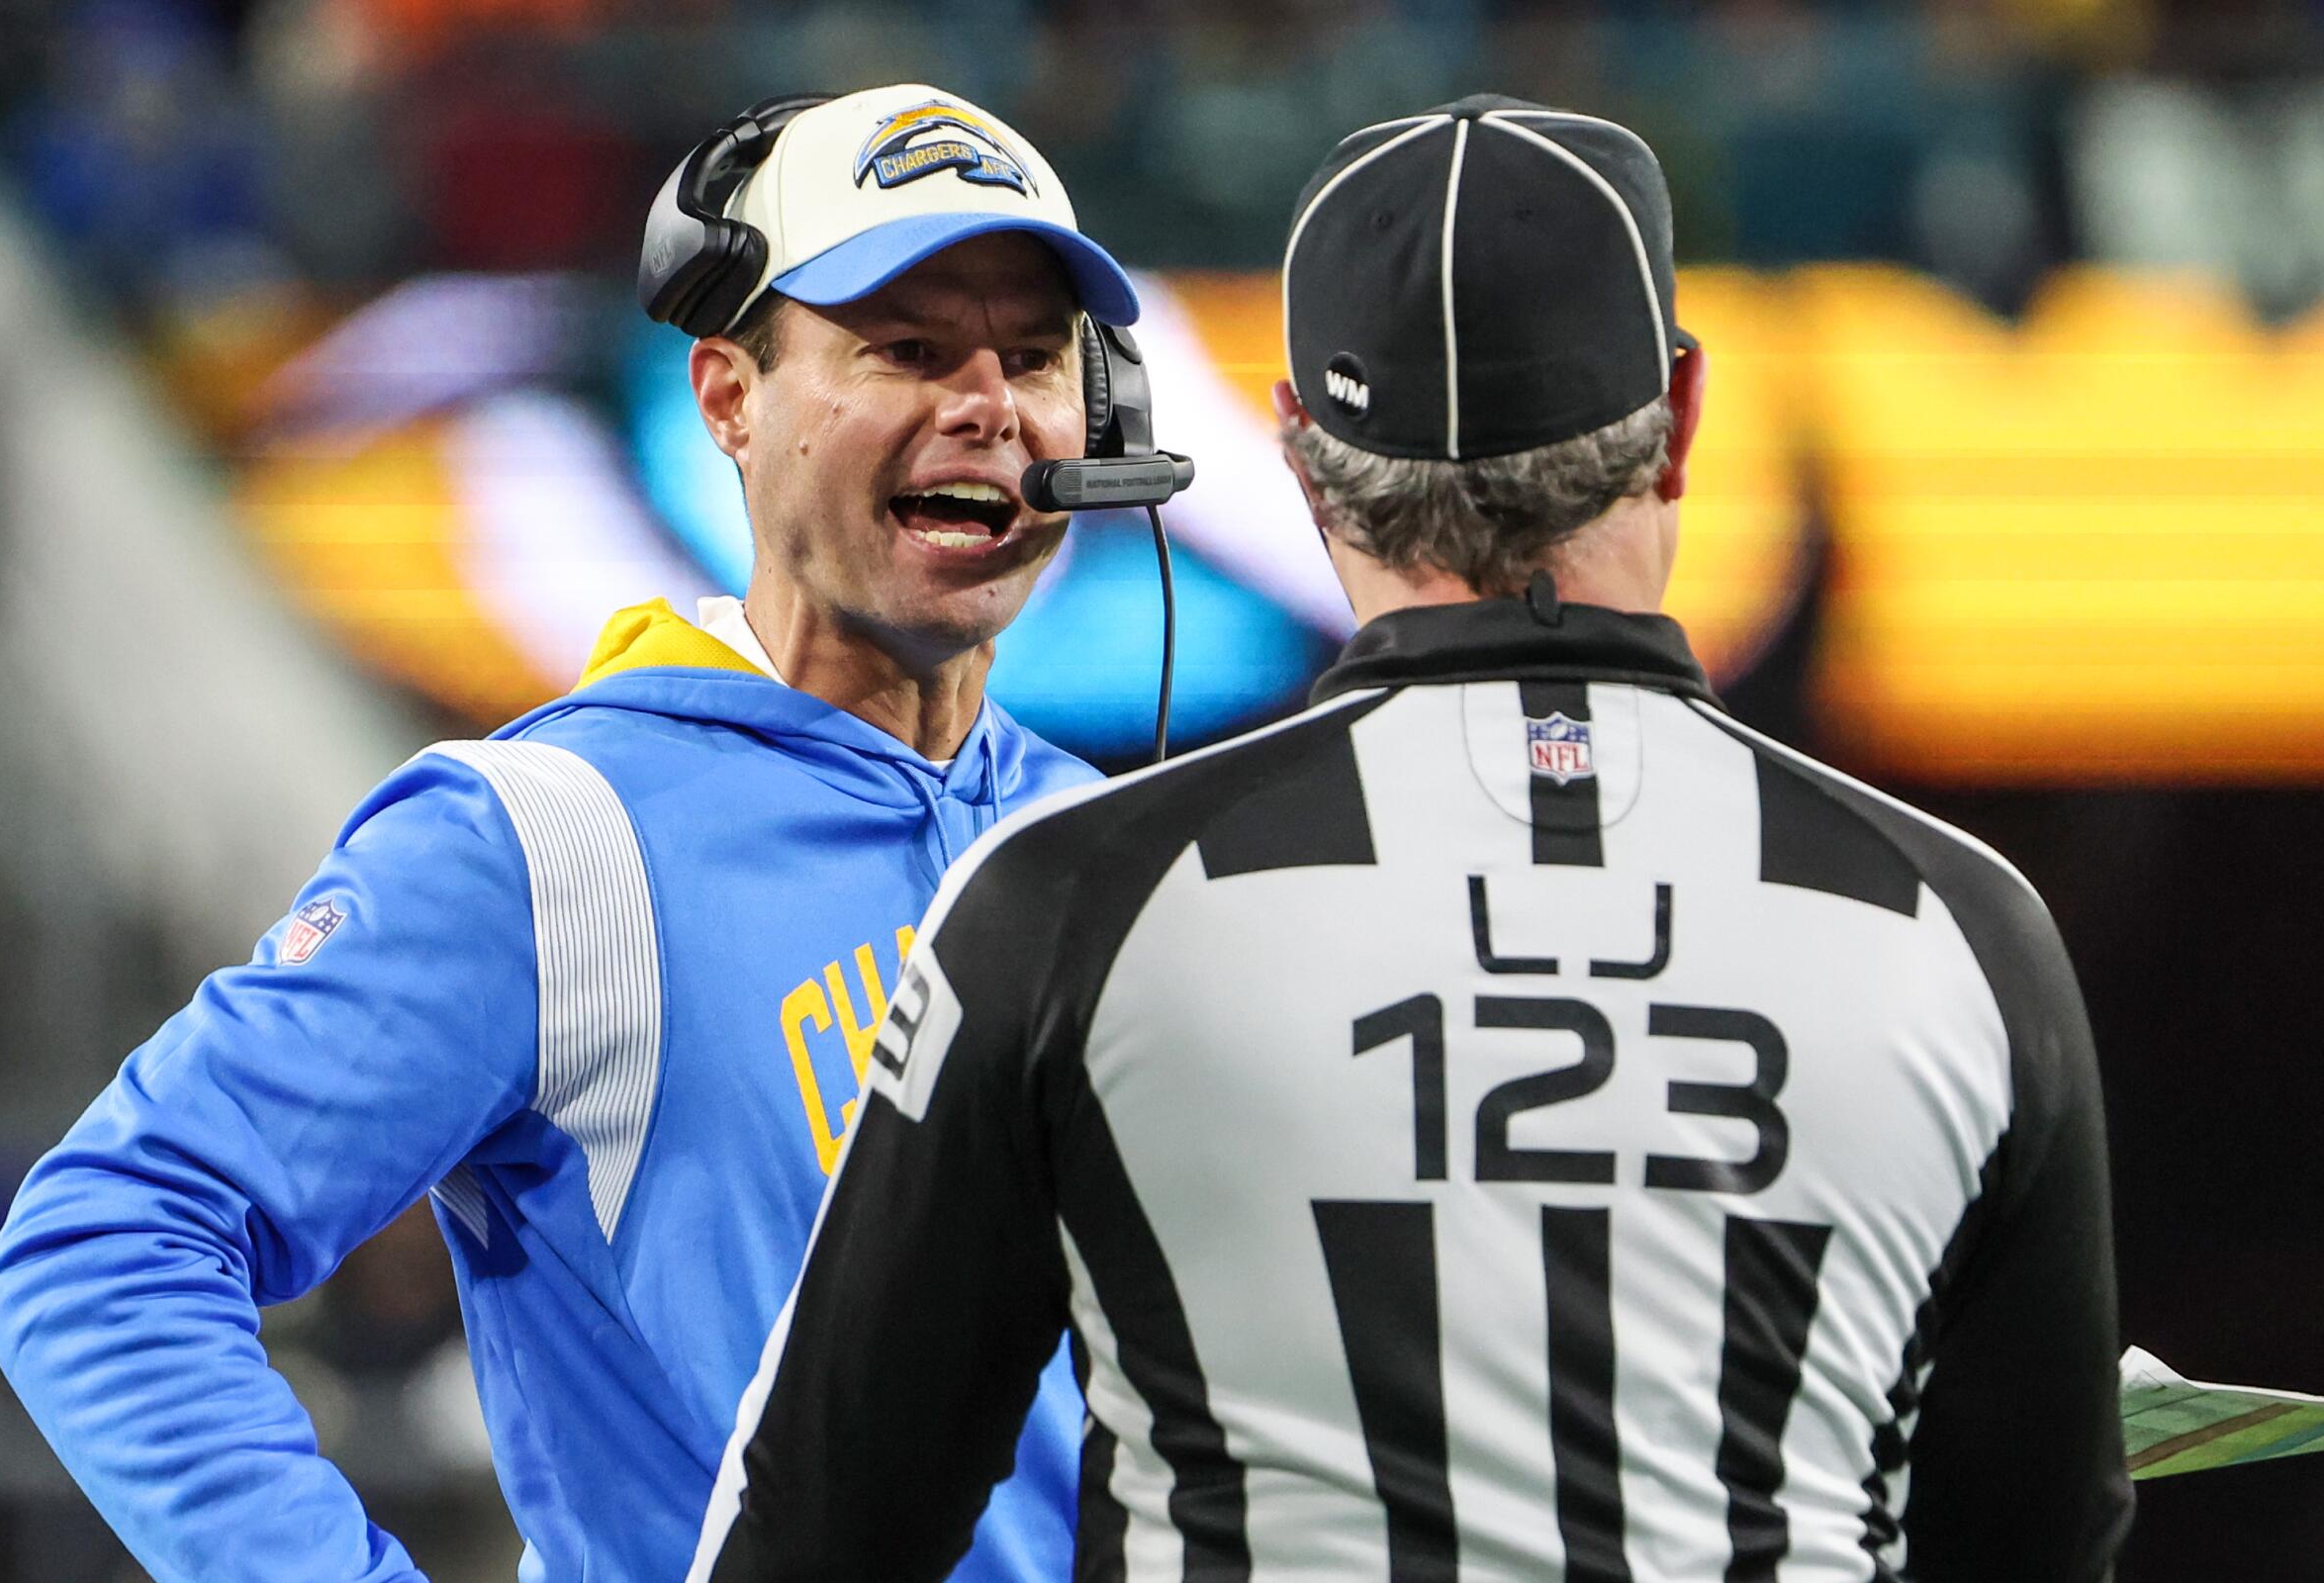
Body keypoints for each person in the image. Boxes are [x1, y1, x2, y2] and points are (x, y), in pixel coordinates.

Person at [696, 96, 2134, 1583]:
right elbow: (2045, 1539)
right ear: (1683, 417)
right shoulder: (1963, 932)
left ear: (1302, 457)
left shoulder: (1074, 907)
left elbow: (820, 1520)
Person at [0, 82, 1136, 1583]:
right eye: (905, 351)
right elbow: (103, 1245)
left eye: (1032, 358)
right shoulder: (543, 841)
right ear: (730, 396)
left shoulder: (1104, 839)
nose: (986, 404)